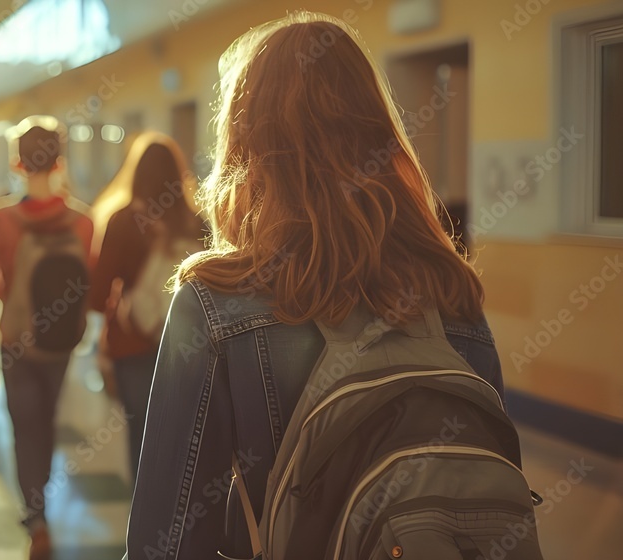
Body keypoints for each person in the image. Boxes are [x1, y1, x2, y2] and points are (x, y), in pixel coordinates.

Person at [124, 12, 506, 559]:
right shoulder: (454, 294)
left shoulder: (217, 302)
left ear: (247, 145)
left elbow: (165, 543)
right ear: (377, 132)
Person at [0, 116, 94, 560]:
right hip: (61, 343)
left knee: (25, 425)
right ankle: (40, 502)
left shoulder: (1, 218)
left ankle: (35, 513)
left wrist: (14, 292)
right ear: (60, 159)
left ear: (17, 161)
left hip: (16, 341)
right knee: (47, 419)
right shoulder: (82, 221)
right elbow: (89, 284)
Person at [89, 132, 205, 480]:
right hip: (187, 346)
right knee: (182, 438)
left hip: (133, 345)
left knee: (141, 437)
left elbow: (96, 296)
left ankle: (144, 524)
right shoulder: (197, 223)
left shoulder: (122, 221)